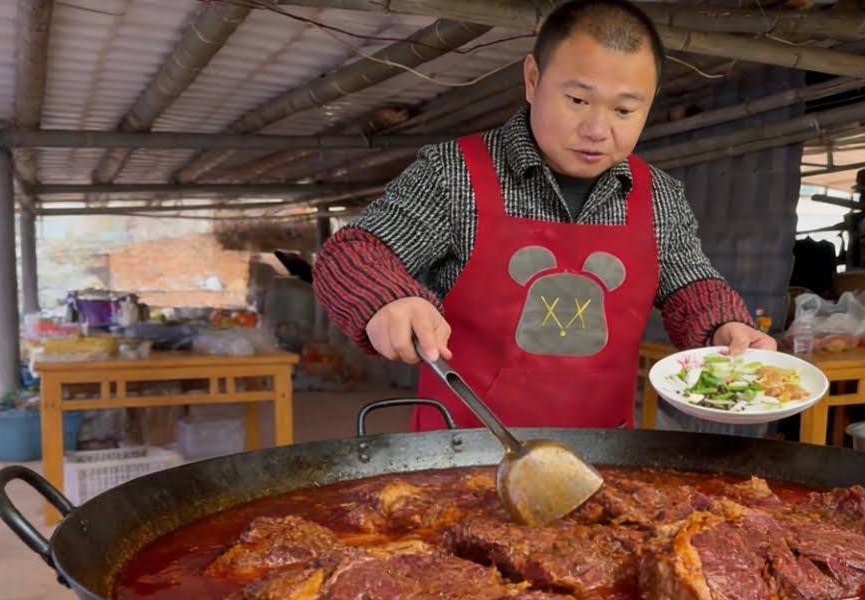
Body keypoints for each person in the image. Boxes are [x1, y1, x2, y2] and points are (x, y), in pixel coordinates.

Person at [313, 0, 776, 431]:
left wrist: (725, 326)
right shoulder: (454, 174)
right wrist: (387, 299)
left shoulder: (659, 196)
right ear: (533, 79)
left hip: (603, 455)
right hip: (462, 451)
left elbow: (691, 285)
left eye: (624, 109)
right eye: (577, 100)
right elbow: (354, 252)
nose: (597, 130)